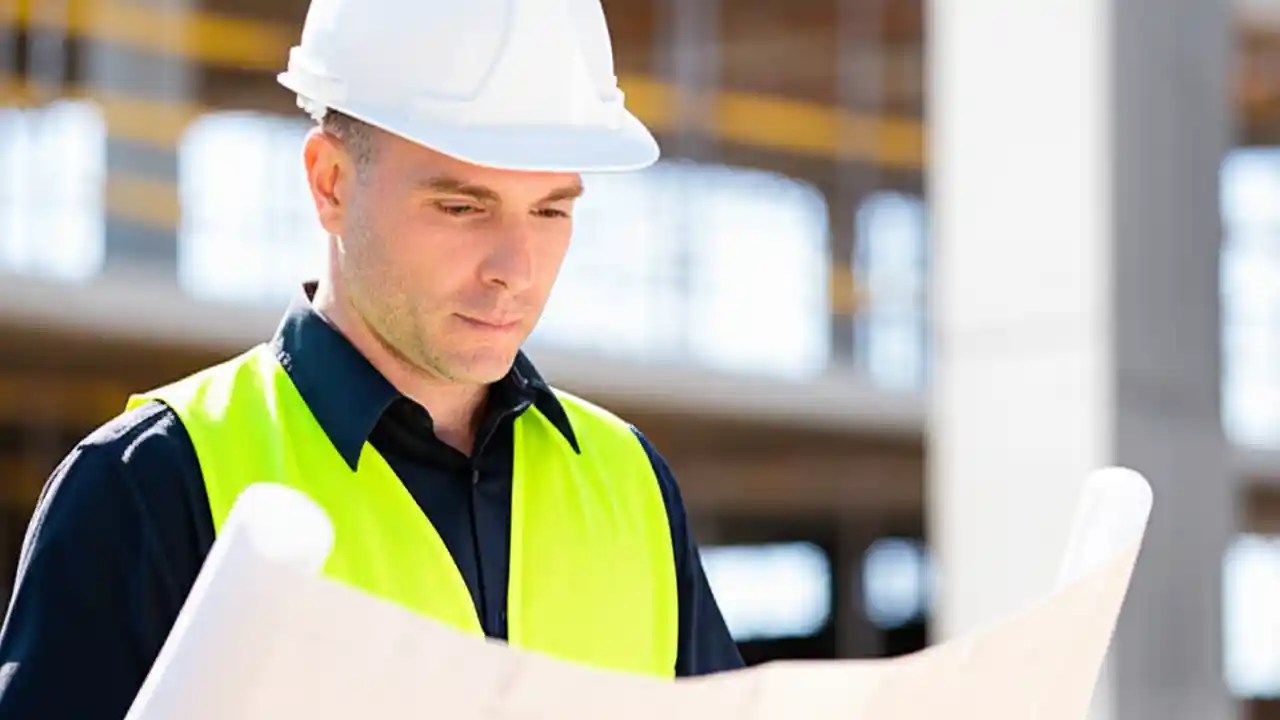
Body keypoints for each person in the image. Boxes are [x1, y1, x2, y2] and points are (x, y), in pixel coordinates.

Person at [0, 0, 743, 716]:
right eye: (463, 207)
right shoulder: (149, 487)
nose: (515, 270)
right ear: (330, 183)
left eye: (551, 209)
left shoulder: (632, 487)